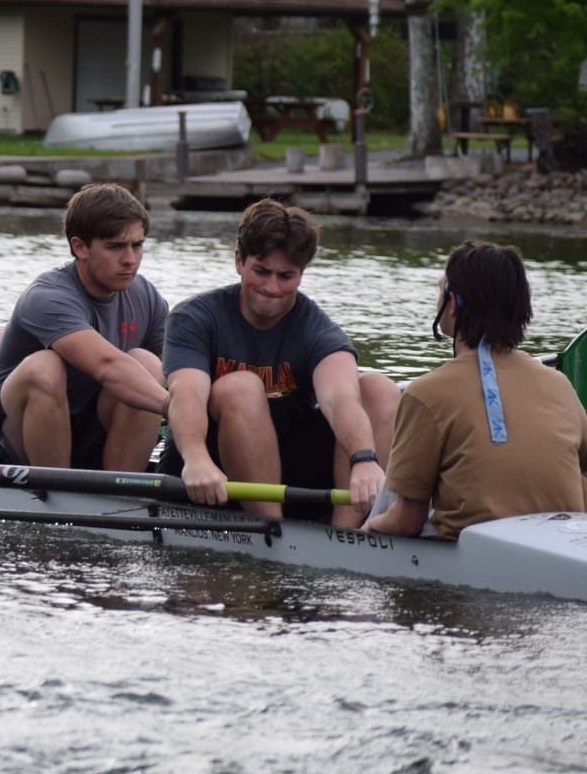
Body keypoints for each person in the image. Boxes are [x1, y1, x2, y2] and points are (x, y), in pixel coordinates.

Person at [160, 199, 396, 526]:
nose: (272, 288)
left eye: (285, 276)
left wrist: (364, 458)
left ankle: (347, 533)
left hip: (289, 470)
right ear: (239, 261)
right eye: (261, 271)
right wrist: (196, 457)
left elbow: (340, 397)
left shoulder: (318, 329)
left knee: (378, 389)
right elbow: (186, 392)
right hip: (207, 474)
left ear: (301, 274)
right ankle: (272, 528)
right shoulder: (194, 318)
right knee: (241, 387)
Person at [364, 241, 587, 540]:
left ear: (452, 304)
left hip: (471, 550)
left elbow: (407, 521)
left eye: (439, 290)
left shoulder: (425, 393)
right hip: (561, 542)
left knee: (395, 493)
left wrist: (366, 531)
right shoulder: (559, 384)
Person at [0, 182, 168, 471]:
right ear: (79, 247)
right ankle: (59, 492)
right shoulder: (48, 297)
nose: (130, 260)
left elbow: (179, 372)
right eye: (115, 247)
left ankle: (121, 491)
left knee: (149, 365)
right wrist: (176, 409)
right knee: (45, 367)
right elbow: (108, 366)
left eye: (137, 245)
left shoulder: (147, 296)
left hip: (81, 437)